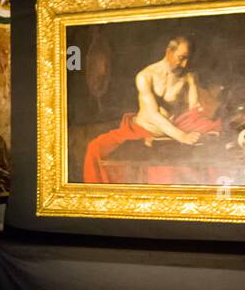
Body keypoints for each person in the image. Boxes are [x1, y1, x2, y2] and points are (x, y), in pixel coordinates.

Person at [82, 36, 221, 183]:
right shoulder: (145, 76)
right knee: (95, 148)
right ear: (169, 52)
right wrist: (182, 136)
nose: (184, 64)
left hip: (170, 131)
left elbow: (193, 111)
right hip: (140, 129)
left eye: (188, 59)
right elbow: (152, 114)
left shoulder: (189, 76)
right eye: (181, 58)